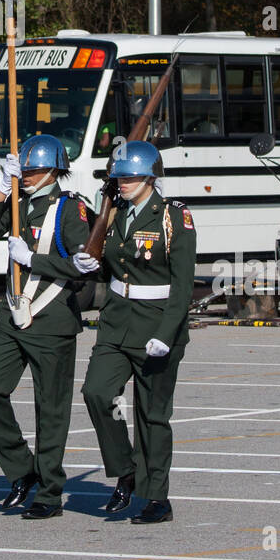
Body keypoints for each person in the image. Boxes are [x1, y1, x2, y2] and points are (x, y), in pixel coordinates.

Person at [0, 136, 94, 519]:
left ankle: (49, 492)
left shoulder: (70, 208)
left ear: (54, 171)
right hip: (11, 315)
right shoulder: (16, 202)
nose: (26, 176)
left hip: (52, 317)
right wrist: (1, 188)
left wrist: (33, 261)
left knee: (51, 409)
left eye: (34, 170)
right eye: (23, 170)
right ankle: (22, 470)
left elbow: (84, 267)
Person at [78, 141, 196, 525]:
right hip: (116, 321)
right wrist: (86, 263)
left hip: (156, 325)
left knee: (152, 416)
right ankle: (126, 470)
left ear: (149, 178)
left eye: (129, 177)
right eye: (119, 178)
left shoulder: (173, 217)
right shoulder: (114, 212)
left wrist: (167, 332)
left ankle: (156, 497)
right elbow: (113, 266)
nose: (122, 183)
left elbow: (183, 285)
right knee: (96, 392)